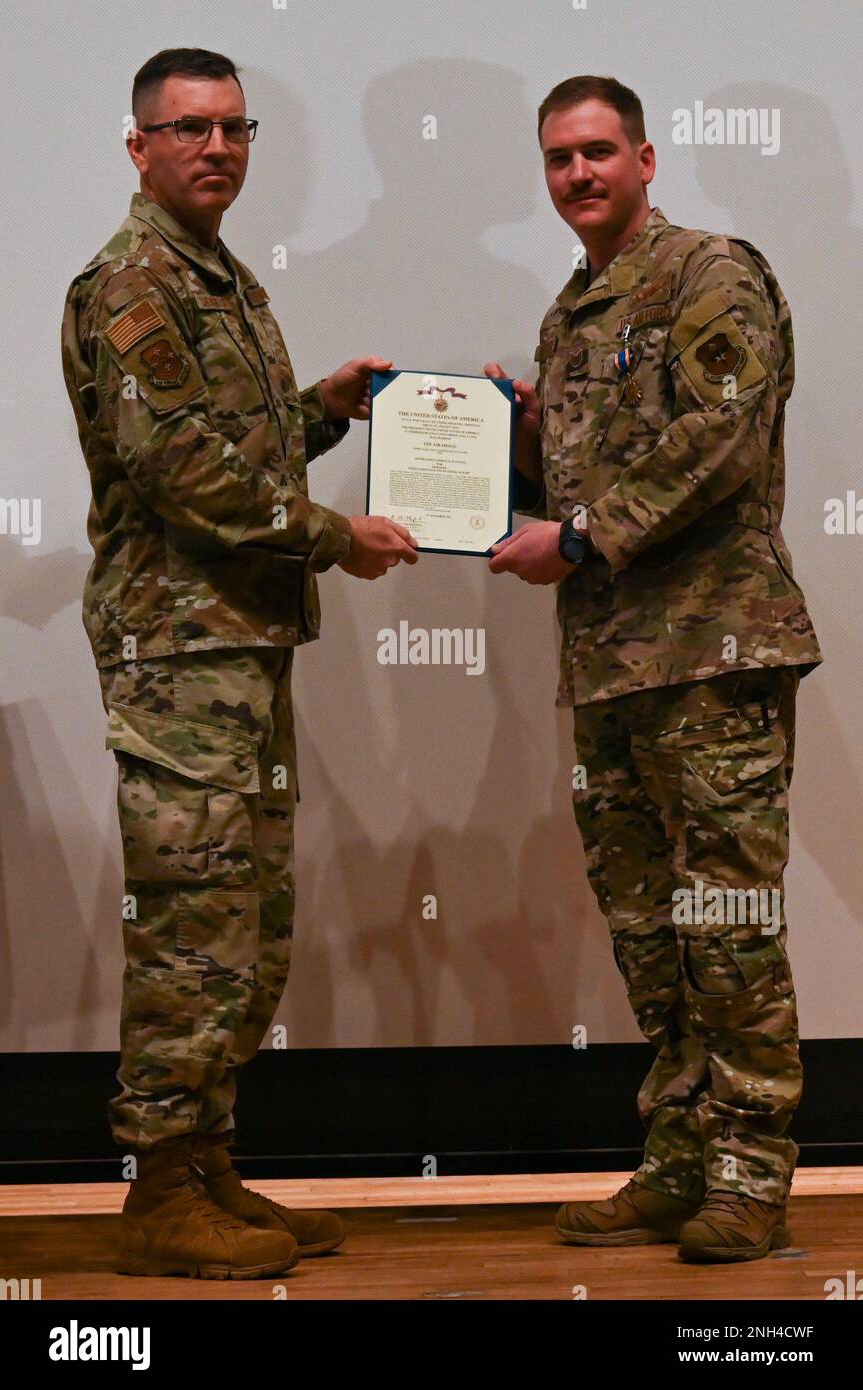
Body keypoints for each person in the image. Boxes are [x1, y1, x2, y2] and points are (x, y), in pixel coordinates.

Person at [61, 46, 417, 1280]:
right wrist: (335, 535)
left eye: (235, 128)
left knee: (247, 929)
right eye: (189, 129)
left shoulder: (215, 278)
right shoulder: (132, 285)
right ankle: (158, 1189)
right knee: (193, 931)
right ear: (139, 145)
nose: (217, 148)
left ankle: (208, 1163)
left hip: (237, 652)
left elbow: (235, 444)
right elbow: (184, 474)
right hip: (180, 659)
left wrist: (320, 408)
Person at [485, 75, 823, 1263]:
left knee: (725, 920)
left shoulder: (708, 271)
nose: (577, 176)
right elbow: (586, 474)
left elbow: (720, 433)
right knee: (648, 929)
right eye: (557, 160)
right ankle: (679, 1157)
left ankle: (750, 1168)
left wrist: (575, 536)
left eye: (596, 154)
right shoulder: (570, 312)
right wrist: (517, 440)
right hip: (615, 670)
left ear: (644, 158)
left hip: (713, 656)